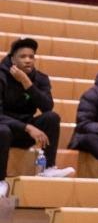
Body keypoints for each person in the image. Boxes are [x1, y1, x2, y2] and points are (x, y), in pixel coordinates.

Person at [0, 37, 72, 188]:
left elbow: (47, 107)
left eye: (31, 56)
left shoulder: (40, 78)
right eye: (23, 56)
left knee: (52, 118)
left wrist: (27, 83)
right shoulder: (1, 77)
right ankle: (0, 180)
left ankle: (49, 168)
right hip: (5, 129)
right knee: (3, 130)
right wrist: (27, 127)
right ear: (13, 59)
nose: (28, 60)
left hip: (24, 132)